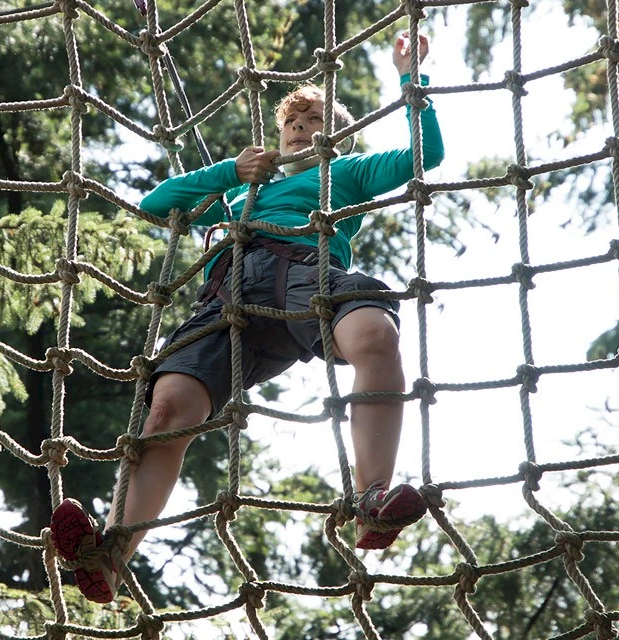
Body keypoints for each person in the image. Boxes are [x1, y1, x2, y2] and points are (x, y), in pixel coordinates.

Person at [50, 31, 446, 603]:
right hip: (226, 294)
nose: (301, 131)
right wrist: (230, 173)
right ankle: (111, 553)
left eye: (315, 123)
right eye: (292, 124)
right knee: (167, 411)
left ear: (337, 138)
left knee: (375, 334)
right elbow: (156, 205)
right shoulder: (241, 194)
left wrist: (412, 78)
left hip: (305, 272)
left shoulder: (346, 172)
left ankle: (372, 500)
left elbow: (424, 156)